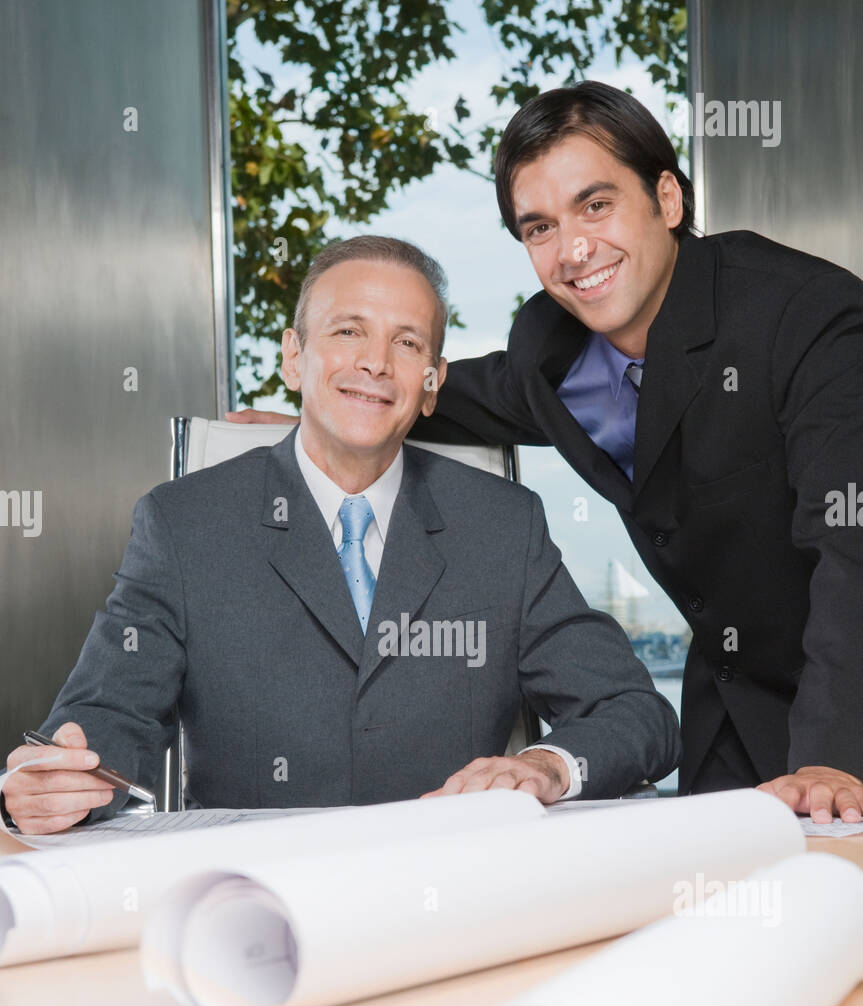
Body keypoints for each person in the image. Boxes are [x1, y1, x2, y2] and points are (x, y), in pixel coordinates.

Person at [234, 82, 863, 824]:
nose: (572, 250)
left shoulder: (807, 316)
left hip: (844, 703)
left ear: (667, 199)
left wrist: (831, 753)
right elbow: (464, 391)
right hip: (731, 706)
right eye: (538, 227)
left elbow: (849, 546)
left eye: (595, 205)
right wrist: (336, 401)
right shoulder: (549, 352)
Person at [3, 235, 679, 835]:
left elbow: (636, 713)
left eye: (407, 342)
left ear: (432, 384)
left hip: (452, 894)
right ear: (294, 359)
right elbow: (103, 716)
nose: (376, 363)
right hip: (252, 900)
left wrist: (546, 765)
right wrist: (60, 783)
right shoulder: (182, 523)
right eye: (348, 332)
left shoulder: (504, 524)